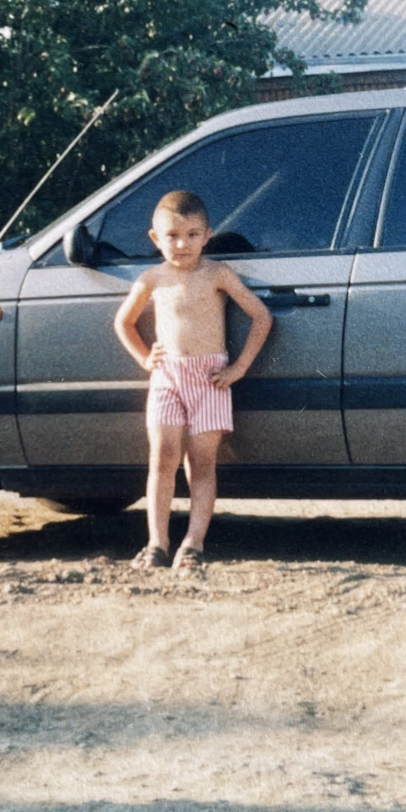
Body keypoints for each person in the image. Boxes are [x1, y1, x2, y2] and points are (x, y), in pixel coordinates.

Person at [111, 190, 273, 572]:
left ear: (207, 235)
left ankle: (193, 543)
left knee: (201, 462)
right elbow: (123, 322)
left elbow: (261, 317)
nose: (182, 244)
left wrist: (239, 369)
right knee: (163, 456)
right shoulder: (152, 278)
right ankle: (157, 542)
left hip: (210, 380)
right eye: (172, 236)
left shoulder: (217, 274)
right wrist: (144, 356)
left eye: (192, 234)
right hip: (168, 378)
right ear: (155, 238)